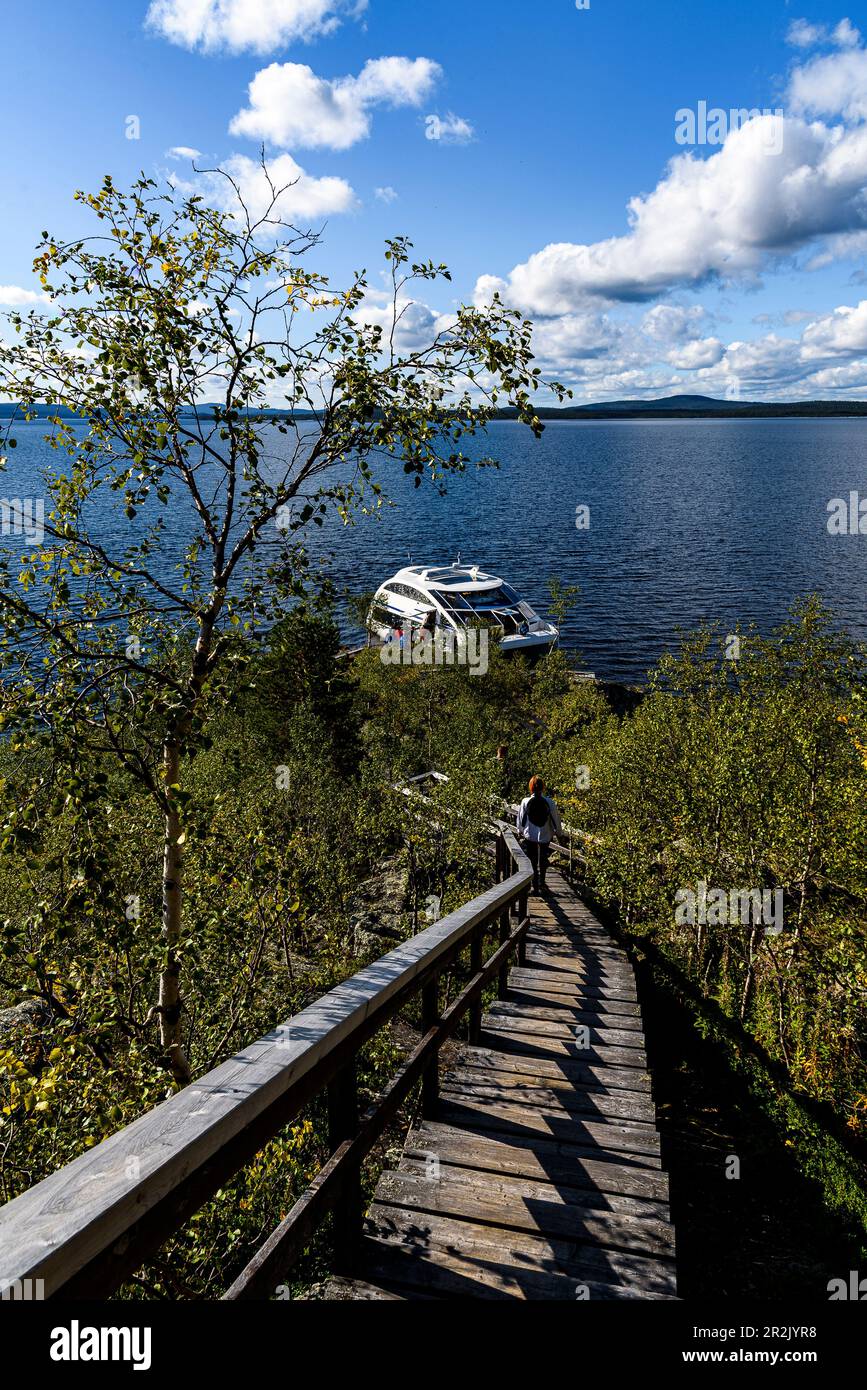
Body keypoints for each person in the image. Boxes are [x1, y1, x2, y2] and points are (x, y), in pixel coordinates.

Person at [516, 775, 563, 894]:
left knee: (532, 859)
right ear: (543, 787)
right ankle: (542, 883)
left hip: (530, 834)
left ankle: (534, 885)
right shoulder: (549, 802)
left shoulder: (525, 801)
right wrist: (558, 832)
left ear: (530, 787)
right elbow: (555, 819)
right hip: (545, 834)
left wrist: (520, 831)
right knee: (543, 859)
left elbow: (521, 818)